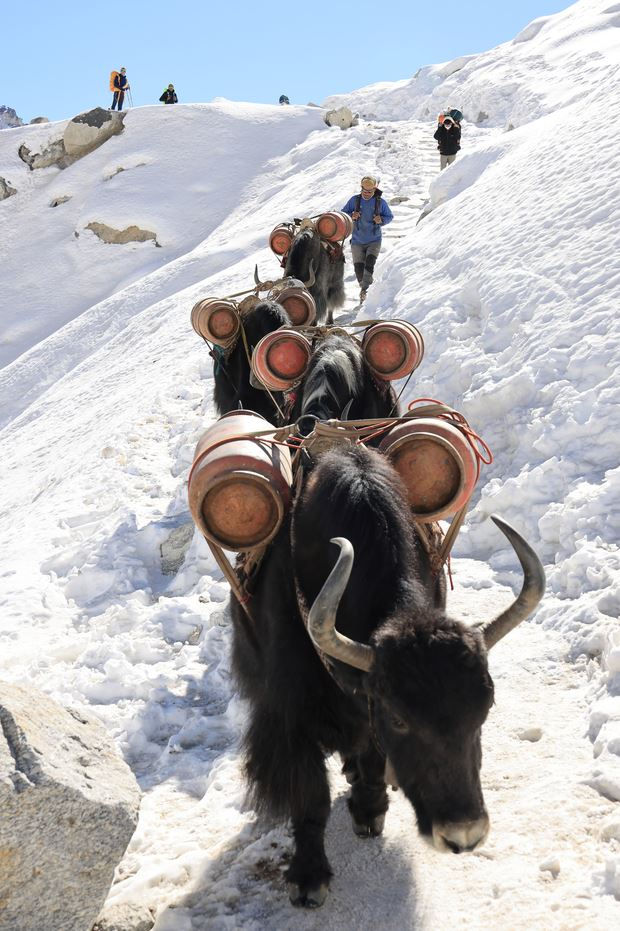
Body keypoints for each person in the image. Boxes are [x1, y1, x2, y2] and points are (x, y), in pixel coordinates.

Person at [341, 175, 393, 303]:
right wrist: (351, 215)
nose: (367, 194)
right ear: (361, 188)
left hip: (374, 240)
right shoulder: (354, 201)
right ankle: (364, 288)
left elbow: (389, 216)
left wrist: (381, 220)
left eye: (370, 192)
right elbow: (342, 214)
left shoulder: (380, 202)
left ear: (375, 190)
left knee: (369, 266)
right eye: (365, 191)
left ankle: (365, 292)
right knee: (359, 269)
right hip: (357, 240)